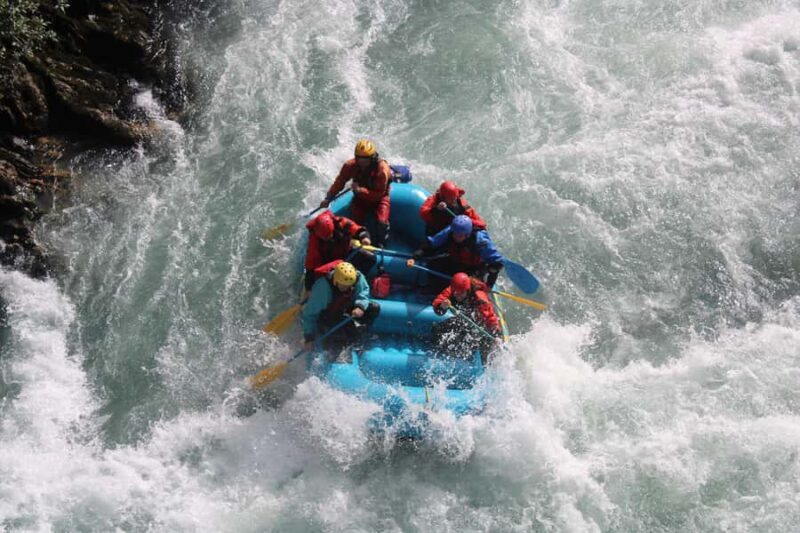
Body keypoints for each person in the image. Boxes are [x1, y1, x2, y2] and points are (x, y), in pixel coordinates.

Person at [320, 139, 392, 245]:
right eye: (359, 159)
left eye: (365, 159)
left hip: (380, 199)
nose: (362, 162)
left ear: (372, 158)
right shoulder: (350, 165)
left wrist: (360, 190)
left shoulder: (382, 170)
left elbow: (379, 194)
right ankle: (358, 242)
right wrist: (329, 197)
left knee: (382, 222)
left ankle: (381, 244)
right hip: (360, 198)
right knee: (355, 222)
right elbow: (340, 181)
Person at [302, 261, 380, 353]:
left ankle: (359, 332)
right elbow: (310, 314)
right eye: (343, 285)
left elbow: (364, 291)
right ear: (335, 281)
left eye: (349, 286)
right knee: (336, 338)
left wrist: (360, 306)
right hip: (328, 315)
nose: (346, 288)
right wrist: (309, 338)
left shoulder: (357, 278)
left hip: (346, 308)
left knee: (374, 308)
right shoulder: (323, 288)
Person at [408, 215, 505, 289]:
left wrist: (489, 285)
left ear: (467, 235)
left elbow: (497, 264)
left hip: (474, 269)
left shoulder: (480, 240)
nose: (455, 236)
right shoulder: (451, 231)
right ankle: (436, 290)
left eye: (458, 235)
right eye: (454, 233)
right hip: (455, 261)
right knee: (434, 264)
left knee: (468, 286)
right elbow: (432, 243)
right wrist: (415, 257)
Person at [430, 273, 501, 361]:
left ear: (467, 290)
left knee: (480, 346)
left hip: (479, 327)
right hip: (463, 320)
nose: (457, 295)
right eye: (455, 292)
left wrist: (496, 336)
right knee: (437, 330)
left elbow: (491, 318)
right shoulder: (452, 290)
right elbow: (438, 303)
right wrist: (442, 306)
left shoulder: (479, 297)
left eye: (461, 293)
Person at [304, 210, 376, 294]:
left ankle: (357, 280)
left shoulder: (342, 222)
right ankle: (340, 289)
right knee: (336, 279)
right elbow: (310, 265)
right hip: (331, 263)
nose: (328, 239)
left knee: (371, 258)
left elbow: (357, 229)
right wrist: (308, 288)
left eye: (329, 236)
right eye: (325, 238)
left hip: (347, 253)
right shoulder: (314, 240)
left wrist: (364, 237)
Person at [419, 180, 487, 235]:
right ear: (443, 197)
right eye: (450, 199)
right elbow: (423, 213)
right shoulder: (433, 200)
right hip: (437, 231)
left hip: (455, 233)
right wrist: (437, 209)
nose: (453, 201)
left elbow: (479, 221)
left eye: (454, 198)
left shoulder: (461, 204)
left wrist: (470, 224)